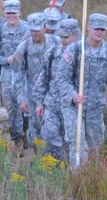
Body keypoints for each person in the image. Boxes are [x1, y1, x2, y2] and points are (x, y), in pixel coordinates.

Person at [72, 13, 107, 164]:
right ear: (88, 28)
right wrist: (71, 95)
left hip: (96, 111)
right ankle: (75, 180)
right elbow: (61, 78)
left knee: (95, 150)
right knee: (77, 149)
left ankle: (93, 179)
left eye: (102, 29)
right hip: (74, 109)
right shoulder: (76, 50)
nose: (99, 32)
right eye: (96, 28)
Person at [8, 12, 61, 152]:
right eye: (32, 30)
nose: (35, 33)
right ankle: (38, 158)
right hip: (33, 96)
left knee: (54, 130)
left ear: (45, 27)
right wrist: (21, 98)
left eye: (37, 30)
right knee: (35, 130)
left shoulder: (57, 43)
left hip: (54, 96)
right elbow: (16, 74)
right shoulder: (23, 47)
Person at [33, 19, 81, 162]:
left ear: (75, 36)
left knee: (71, 143)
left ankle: (70, 175)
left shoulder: (84, 57)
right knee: (49, 138)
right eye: (61, 37)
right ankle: (51, 171)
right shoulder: (52, 54)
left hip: (73, 108)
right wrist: (39, 103)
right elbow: (43, 80)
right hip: (52, 106)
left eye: (66, 37)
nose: (63, 41)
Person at [0, 0, 30, 149]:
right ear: (4, 13)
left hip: (25, 76)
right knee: (11, 107)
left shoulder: (28, 30)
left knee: (26, 107)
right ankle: (17, 138)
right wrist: (5, 59)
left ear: (19, 13)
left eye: (14, 13)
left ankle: (25, 131)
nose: (11, 16)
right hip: (7, 75)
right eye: (8, 13)